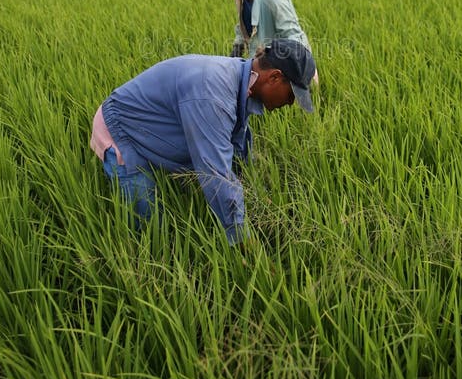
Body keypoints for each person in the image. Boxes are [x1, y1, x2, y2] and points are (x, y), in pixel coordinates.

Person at [90, 38, 316, 245]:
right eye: (291, 95)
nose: (289, 103)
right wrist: (249, 247)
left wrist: (256, 195)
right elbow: (214, 175)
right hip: (121, 130)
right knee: (150, 233)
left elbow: (236, 145)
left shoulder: (242, 81)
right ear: (274, 77)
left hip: (155, 127)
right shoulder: (213, 93)